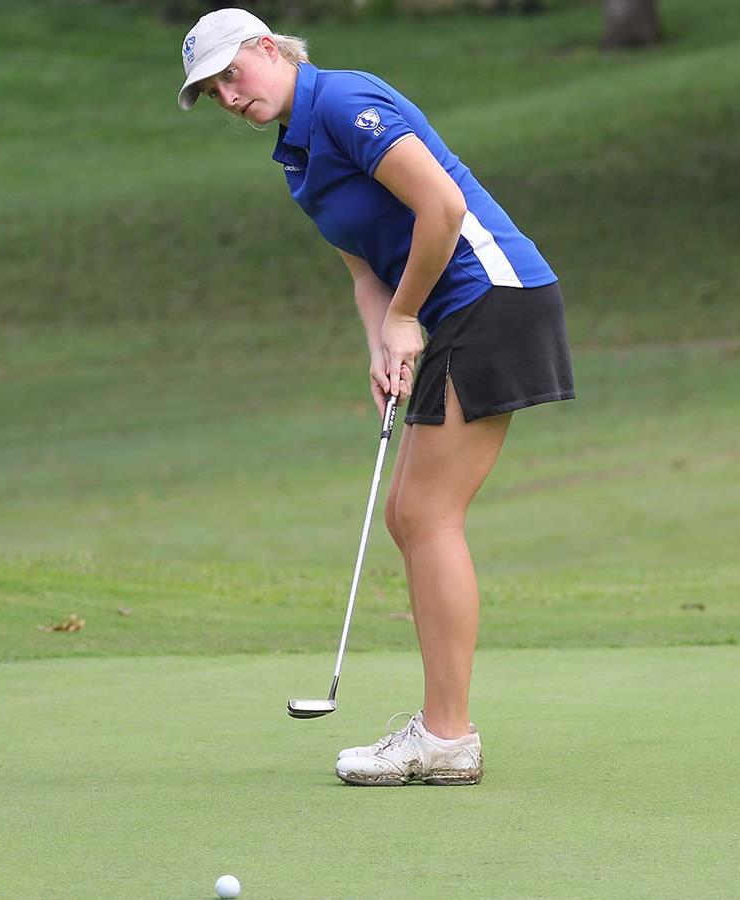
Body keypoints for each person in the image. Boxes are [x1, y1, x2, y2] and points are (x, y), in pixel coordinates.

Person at [177, 9, 574, 786]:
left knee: (427, 513)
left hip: (490, 294)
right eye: (211, 88)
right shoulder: (296, 157)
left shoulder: (342, 103)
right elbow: (365, 270)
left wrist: (403, 318)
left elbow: (443, 208)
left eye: (233, 72)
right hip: (450, 309)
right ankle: (441, 730)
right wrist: (380, 342)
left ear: (268, 48)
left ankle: (447, 737)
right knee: (407, 515)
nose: (227, 94)